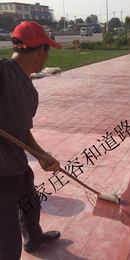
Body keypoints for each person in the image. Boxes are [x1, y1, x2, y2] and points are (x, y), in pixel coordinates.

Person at [0, 21, 62, 260]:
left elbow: (23, 132)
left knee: (30, 205)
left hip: (18, 164)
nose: (47, 58)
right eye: (48, 51)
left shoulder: (30, 90)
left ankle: (34, 240)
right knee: (7, 235)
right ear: (40, 51)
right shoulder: (3, 72)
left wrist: (42, 155)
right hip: (1, 173)